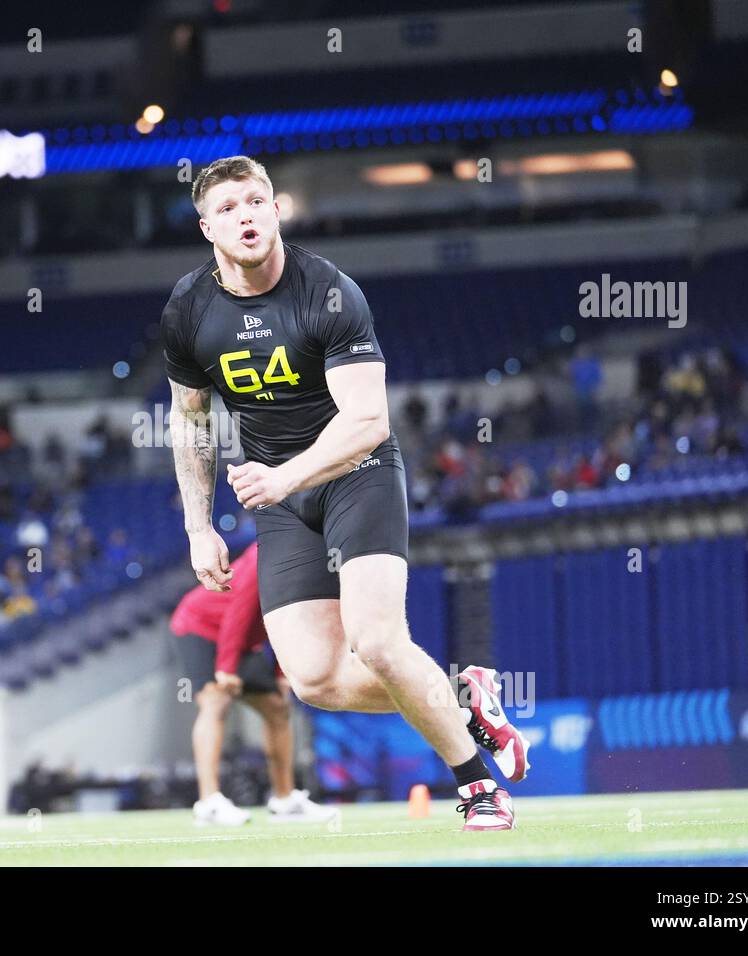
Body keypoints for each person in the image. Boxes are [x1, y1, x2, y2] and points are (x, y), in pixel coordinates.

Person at [160, 155, 529, 830]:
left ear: (276, 210)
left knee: (377, 642)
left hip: (355, 476)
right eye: (229, 208)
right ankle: (464, 698)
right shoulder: (189, 309)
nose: (245, 215)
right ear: (207, 226)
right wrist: (196, 525)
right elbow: (189, 422)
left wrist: (285, 476)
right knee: (315, 680)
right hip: (282, 502)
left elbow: (369, 421)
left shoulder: (326, 291)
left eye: (255, 201)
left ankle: (478, 785)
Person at [171, 541, 336, 826]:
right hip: (199, 625)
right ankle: (209, 803)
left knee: (277, 708)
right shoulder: (267, 551)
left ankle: (284, 801)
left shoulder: (315, 560)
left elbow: (291, 622)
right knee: (215, 701)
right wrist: (226, 668)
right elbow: (240, 607)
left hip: (245, 641)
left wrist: (283, 674)